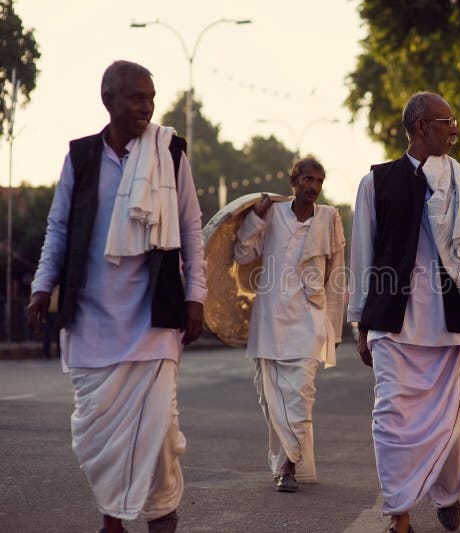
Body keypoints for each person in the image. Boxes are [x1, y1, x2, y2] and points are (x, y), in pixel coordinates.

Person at [26, 60, 206, 533]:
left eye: (151, 97)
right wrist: (42, 286)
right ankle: (113, 520)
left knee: (161, 439)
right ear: (108, 100)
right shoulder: (81, 158)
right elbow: (59, 227)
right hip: (94, 324)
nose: (147, 106)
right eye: (135, 97)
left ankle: (161, 519)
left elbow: (190, 228)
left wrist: (197, 296)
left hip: (155, 320)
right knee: (98, 441)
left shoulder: (171, 153)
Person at [348, 91, 460, 533]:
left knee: (457, 427)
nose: (454, 130)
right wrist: (361, 322)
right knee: (391, 418)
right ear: (420, 126)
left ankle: (447, 492)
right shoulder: (375, 183)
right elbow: (363, 255)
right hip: (394, 325)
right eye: (446, 122)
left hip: (451, 326)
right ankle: (399, 511)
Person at [233, 156, 345, 493]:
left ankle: (289, 468)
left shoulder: (329, 218)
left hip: (309, 322)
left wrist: (334, 327)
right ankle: (286, 461)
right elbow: (241, 255)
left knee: (300, 397)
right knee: (270, 400)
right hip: (270, 320)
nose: (312, 187)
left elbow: (337, 274)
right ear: (293, 182)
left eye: (318, 182)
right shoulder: (271, 214)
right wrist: (255, 217)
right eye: (307, 180)